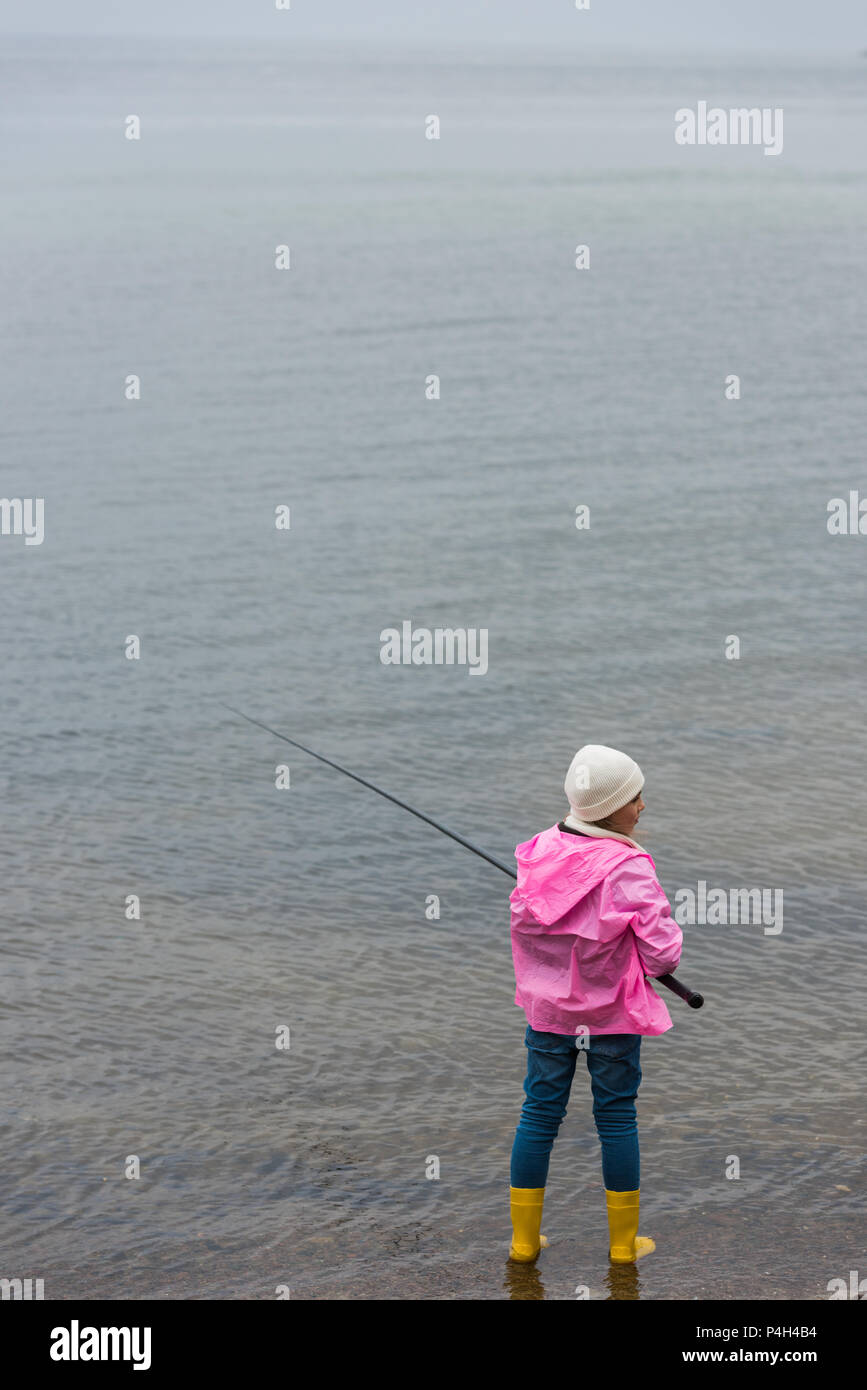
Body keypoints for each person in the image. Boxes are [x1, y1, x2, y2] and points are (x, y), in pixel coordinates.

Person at [507, 744, 683, 1264]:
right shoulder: (629, 867)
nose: (643, 806)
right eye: (636, 797)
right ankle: (624, 1247)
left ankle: (522, 1242)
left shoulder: (535, 851)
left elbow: (532, 929)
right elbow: (662, 954)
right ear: (611, 807)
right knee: (616, 1116)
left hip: (549, 1015)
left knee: (539, 1113)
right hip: (610, 1017)